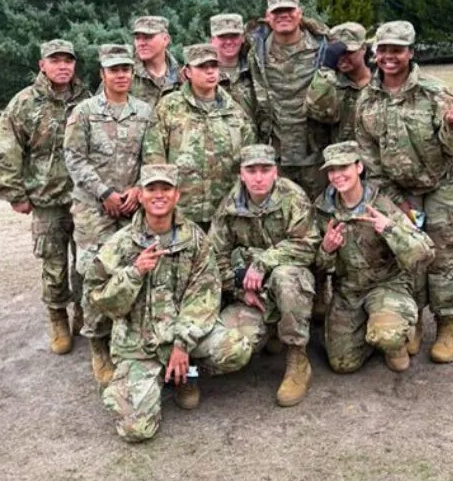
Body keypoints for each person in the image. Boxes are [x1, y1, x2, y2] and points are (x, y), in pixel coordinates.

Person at [86, 164, 258, 442]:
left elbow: (204, 294)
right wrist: (134, 273)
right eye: (151, 189)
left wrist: (182, 344)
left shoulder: (195, 240)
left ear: (177, 195)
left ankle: (187, 373)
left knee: (236, 349)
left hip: (182, 334)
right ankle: (158, 377)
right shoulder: (121, 244)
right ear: (140, 195)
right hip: (139, 343)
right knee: (136, 430)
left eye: (166, 189)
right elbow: (98, 298)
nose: (159, 195)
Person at [355, 20, 453, 363]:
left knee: (444, 256)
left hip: (445, 186)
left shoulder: (435, 92)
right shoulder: (367, 99)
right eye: (383, 50)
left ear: (410, 52)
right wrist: (395, 201)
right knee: (408, 256)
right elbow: (370, 158)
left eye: (397, 50)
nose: (389, 56)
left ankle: (447, 324)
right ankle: (415, 321)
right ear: (375, 53)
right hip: (401, 189)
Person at [0, 40, 91, 350]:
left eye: (67, 60)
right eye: (55, 60)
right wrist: (14, 192)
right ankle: (57, 317)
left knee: (86, 262)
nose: (62, 66)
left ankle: (83, 313)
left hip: (84, 198)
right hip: (47, 200)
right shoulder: (25, 103)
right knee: (53, 264)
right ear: (42, 65)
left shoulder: (86, 99)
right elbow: (6, 148)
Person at [63, 43, 153, 382]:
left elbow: (152, 155)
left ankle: (130, 337)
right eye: (114, 70)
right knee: (94, 271)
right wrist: (105, 193)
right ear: (102, 74)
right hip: (94, 206)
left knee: (137, 266)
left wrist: (139, 188)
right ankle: (98, 344)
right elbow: (74, 157)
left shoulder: (144, 112)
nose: (121, 75)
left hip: (133, 205)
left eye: (125, 69)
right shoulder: (84, 112)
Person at [206, 144, 318, 406]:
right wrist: (240, 290)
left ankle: (297, 358)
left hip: (289, 284)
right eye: (251, 170)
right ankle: (270, 330)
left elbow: (308, 244)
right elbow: (214, 258)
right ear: (241, 174)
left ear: (275, 172)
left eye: (265, 170)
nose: (259, 177)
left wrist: (263, 263)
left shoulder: (293, 197)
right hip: (251, 293)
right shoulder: (229, 206)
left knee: (286, 277)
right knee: (225, 353)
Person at [314, 142, 434, 374]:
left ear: (359, 167)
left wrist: (390, 229)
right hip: (349, 291)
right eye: (331, 170)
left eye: (344, 167)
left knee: (387, 335)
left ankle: (393, 343)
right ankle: (370, 331)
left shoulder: (383, 204)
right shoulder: (322, 210)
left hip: (387, 285)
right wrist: (326, 250)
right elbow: (316, 266)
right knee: (343, 364)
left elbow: (425, 253)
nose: (337, 175)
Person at [141, 44, 256, 232]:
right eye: (202, 67)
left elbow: (248, 161)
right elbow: (154, 156)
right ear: (187, 72)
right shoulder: (169, 107)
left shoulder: (235, 112)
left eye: (214, 66)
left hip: (225, 212)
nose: (210, 71)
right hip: (180, 211)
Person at [245, 0, 335, 199]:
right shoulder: (256, 50)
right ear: (268, 16)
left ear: (299, 13)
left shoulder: (323, 47)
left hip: (315, 154)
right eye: (277, 11)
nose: (283, 15)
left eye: (289, 10)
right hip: (276, 155)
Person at [305, 22, 373, 143]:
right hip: (339, 152)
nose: (342, 57)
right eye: (336, 53)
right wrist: (326, 68)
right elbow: (317, 112)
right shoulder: (327, 82)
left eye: (348, 52)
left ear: (363, 48)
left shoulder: (379, 82)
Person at [210, 13, 256, 125]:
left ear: (243, 38)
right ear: (212, 40)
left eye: (234, 36)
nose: (229, 41)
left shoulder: (255, 71)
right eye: (222, 36)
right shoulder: (202, 75)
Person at [128, 16, 182, 107]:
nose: (141, 43)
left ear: (166, 39)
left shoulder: (181, 75)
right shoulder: (126, 74)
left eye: (148, 37)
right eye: (137, 38)